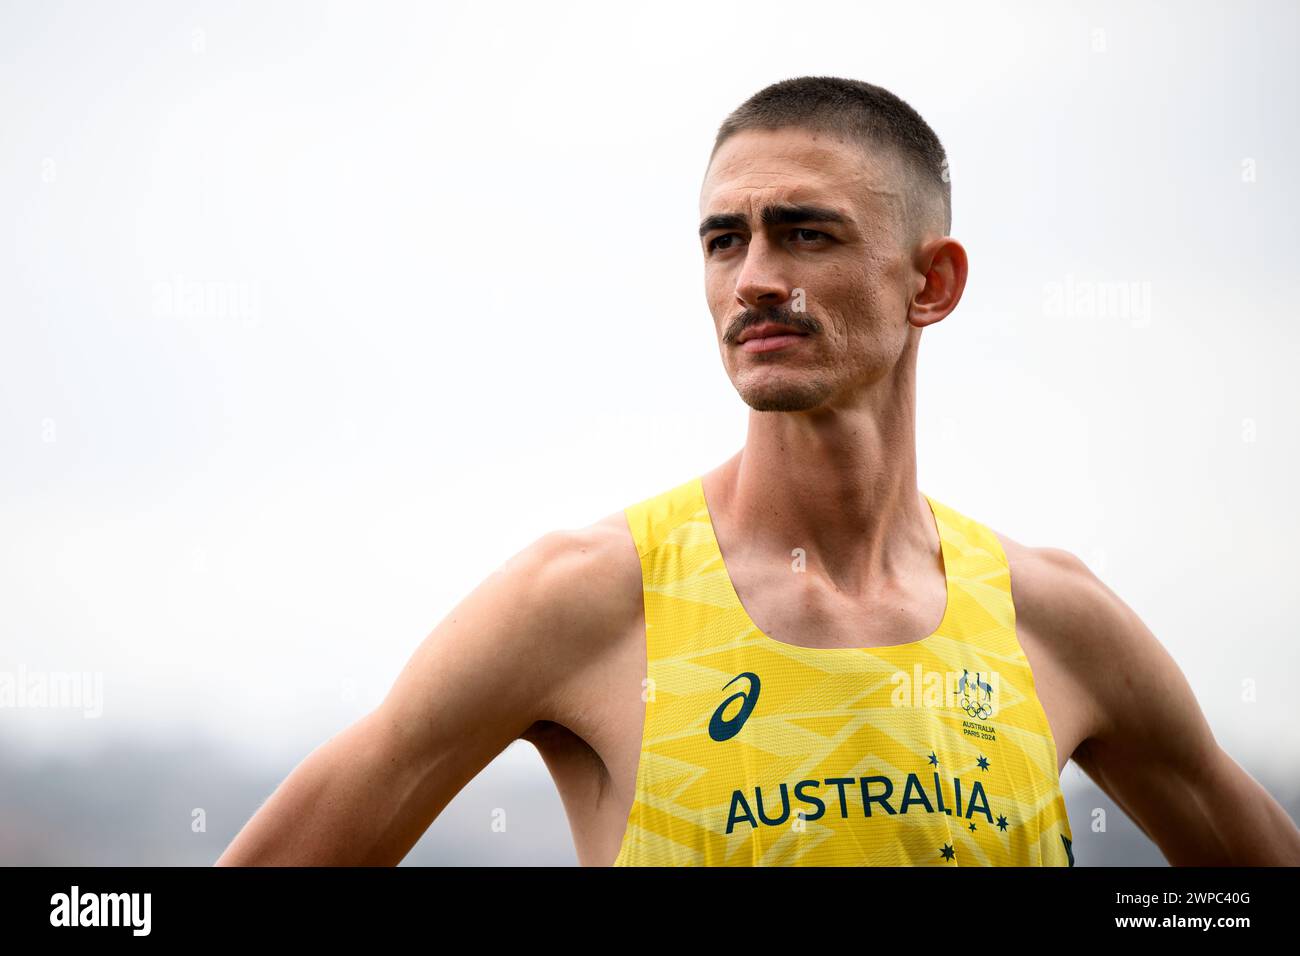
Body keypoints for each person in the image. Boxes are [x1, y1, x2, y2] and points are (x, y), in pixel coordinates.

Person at [216, 76, 1300, 867]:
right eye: (723, 240)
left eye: (805, 234)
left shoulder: (1051, 621)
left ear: (932, 282)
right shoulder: (588, 598)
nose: (753, 280)